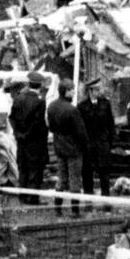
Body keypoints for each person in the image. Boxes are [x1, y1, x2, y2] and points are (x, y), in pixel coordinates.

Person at [47, 80, 89, 216]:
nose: (74, 92)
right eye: (72, 90)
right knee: (74, 180)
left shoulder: (51, 107)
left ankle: (57, 208)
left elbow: (51, 127)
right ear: (66, 91)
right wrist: (84, 146)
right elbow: (81, 132)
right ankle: (75, 210)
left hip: (59, 147)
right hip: (73, 149)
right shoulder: (72, 110)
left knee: (61, 178)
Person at [9, 72, 49, 202]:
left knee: (23, 168)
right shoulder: (40, 102)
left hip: (21, 141)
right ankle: (32, 198)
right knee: (35, 170)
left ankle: (22, 196)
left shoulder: (18, 98)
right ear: (40, 85)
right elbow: (38, 123)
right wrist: (27, 135)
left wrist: (18, 134)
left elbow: (12, 118)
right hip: (35, 141)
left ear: (29, 83)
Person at [78, 78, 115, 196]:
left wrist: (111, 142)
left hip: (102, 143)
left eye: (99, 89)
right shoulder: (82, 106)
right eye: (97, 89)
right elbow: (80, 127)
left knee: (104, 172)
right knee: (87, 172)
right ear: (90, 91)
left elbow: (110, 123)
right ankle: (88, 197)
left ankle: (106, 196)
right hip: (88, 145)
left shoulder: (105, 104)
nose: (99, 92)